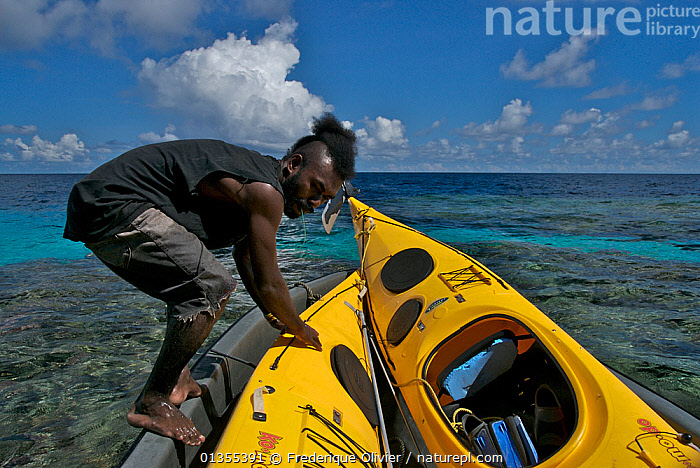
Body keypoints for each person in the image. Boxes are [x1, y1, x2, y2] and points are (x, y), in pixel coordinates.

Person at [63, 113, 357, 446]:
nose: (314, 203)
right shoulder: (264, 192)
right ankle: (152, 401)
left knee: (192, 286)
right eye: (314, 188)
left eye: (324, 198)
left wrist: (274, 315)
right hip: (110, 203)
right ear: (293, 164)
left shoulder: (259, 188)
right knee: (211, 288)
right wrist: (300, 328)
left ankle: (176, 377)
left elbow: (245, 259)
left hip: (97, 204)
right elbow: (270, 281)